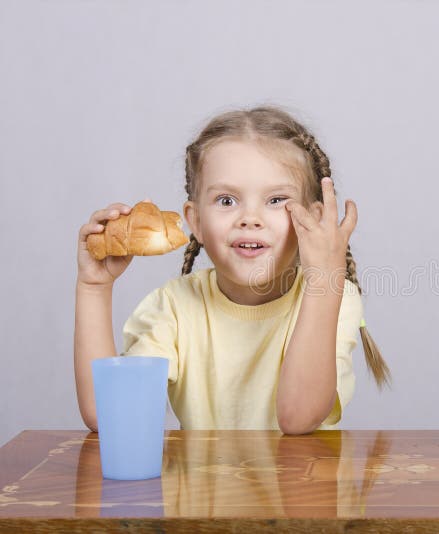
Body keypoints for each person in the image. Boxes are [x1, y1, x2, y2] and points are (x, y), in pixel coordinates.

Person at [75, 106, 389, 435]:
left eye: (276, 200)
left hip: (302, 486)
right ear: (195, 221)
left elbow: (298, 418)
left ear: (312, 220)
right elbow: (110, 415)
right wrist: (93, 288)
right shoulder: (174, 306)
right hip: (203, 487)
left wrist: (325, 278)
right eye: (227, 200)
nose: (249, 218)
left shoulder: (336, 298)